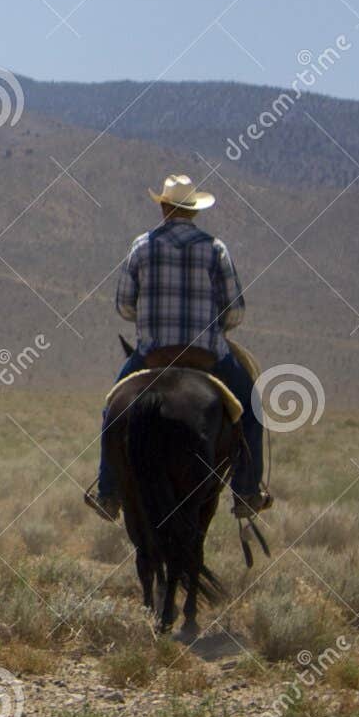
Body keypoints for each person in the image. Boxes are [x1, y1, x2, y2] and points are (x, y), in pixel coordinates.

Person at [92, 173, 271, 521]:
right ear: (193, 212)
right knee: (251, 410)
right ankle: (247, 492)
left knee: (113, 408)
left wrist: (152, 317)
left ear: (163, 207)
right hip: (207, 355)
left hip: (153, 354)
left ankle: (108, 492)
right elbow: (235, 311)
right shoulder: (215, 248)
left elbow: (124, 306)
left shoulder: (141, 246)